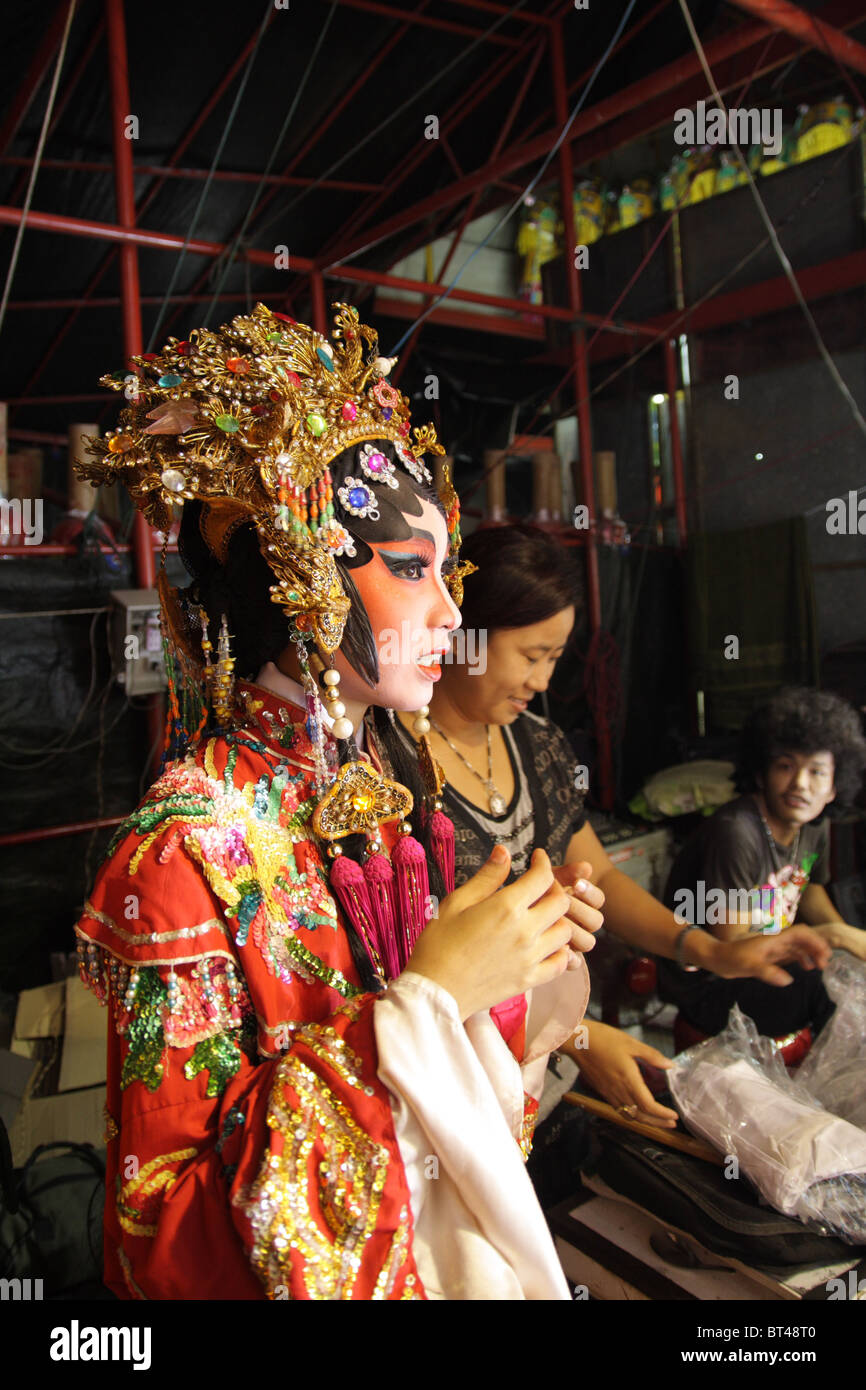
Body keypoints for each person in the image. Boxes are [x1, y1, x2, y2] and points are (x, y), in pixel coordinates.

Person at [72, 304, 598, 1301]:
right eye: (411, 569)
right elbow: (160, 1242)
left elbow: (451, 1103)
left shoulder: (387, 805)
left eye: (446, 570)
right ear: (300, 573)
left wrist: (512, 988)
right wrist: (431, 1005)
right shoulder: (187, 853)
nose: (450, 610)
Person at [397, 525, 832, 1129]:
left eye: (554, 659)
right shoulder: (390, 764)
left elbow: (598, 870)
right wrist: (573, 1036)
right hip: (447, 1081)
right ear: (465, 632)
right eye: (529, 656)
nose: (544, 682)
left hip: (545, 1072)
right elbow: (401, 962)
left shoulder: (540, 746)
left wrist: (710, 950)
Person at [658, 686, 866, 1042]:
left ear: (834, 787)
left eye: (817, 772)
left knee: (848, 975)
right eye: (786, 766)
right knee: (823, 990)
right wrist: (833, 936)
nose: (800, 783)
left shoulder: (814, 824)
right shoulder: (736, 832)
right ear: (760, 773)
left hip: (767, 963)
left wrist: (848, 942)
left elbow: (810, 887)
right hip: (711, 984)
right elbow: (733, 943)